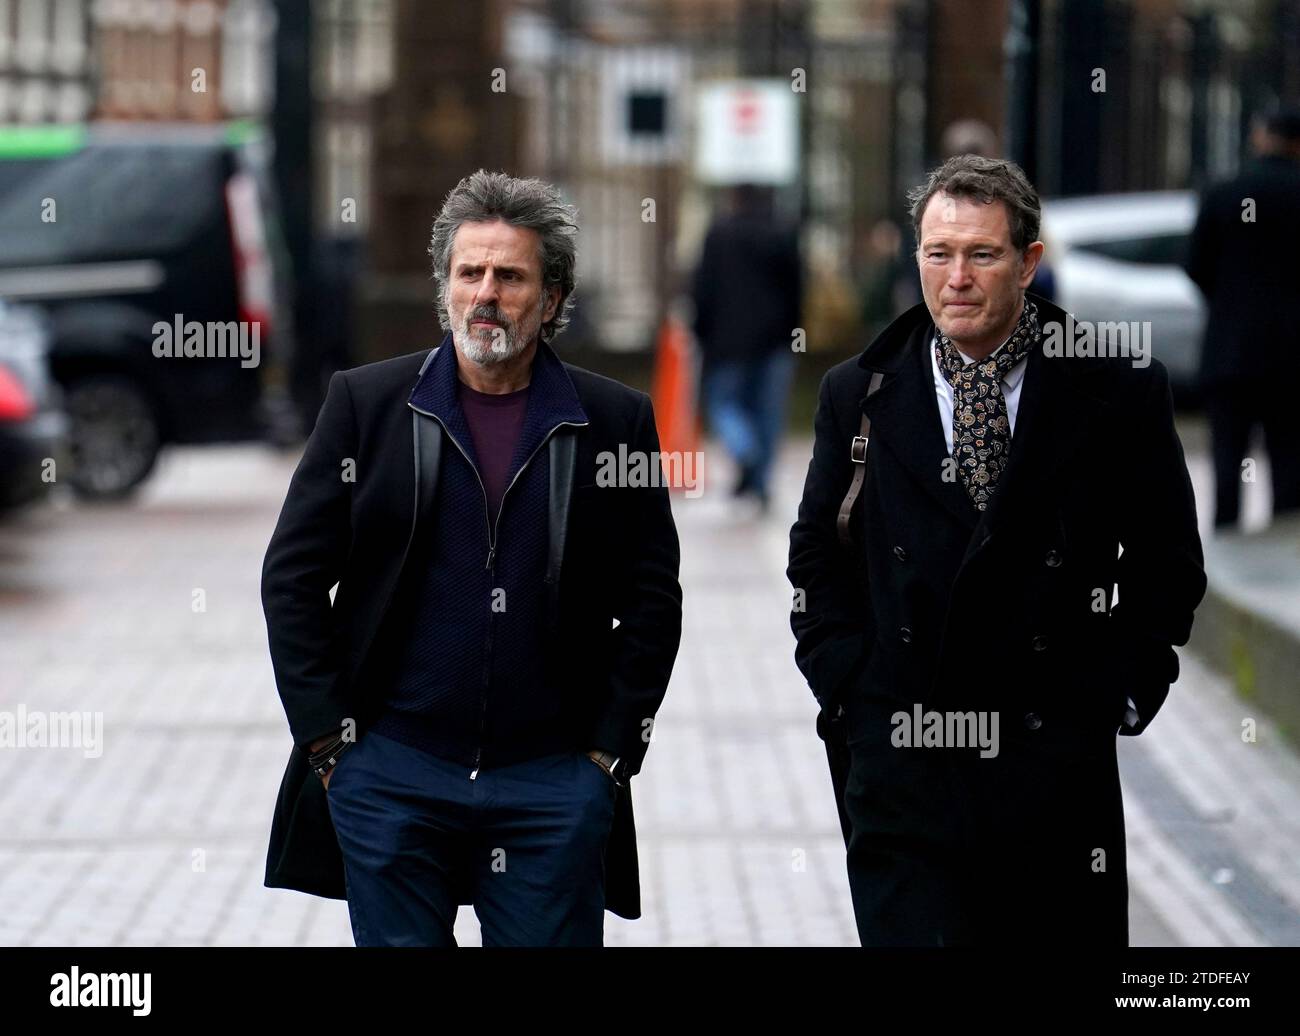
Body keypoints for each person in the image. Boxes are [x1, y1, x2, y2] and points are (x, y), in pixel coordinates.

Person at [787, 154, 1206, 945]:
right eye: (938, 254)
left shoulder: (1113, 385)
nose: (957, 278)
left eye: (982, 254)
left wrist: (1118, 689)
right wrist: (848, 689)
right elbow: (816, 559)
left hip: (1052, 765)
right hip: (904, 762)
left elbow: (1166, 563)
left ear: (1029, 263)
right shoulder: (861, 391)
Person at [261, 170, 683, 946]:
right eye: (470, 273)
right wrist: (329, 746)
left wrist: (606, 758)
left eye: (510, 276)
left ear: (552, 299)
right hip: (392, 774)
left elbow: (654, 601)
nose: (486, 293)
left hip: (550, 783)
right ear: (445, 288)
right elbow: (291, 577)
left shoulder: (615, 422)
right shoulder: (366, 406)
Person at [1186, 103, 1300, 529]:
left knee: (1227, 463)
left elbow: (1195, 266)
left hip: (1231, 352)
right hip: (1292, 356)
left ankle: (1226, 549)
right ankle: (1284, 546)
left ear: (1259, 136)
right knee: (1290, 464)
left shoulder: (1223, 192)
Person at [691, 184, 802, 511]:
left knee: (724, 405)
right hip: (775, 341)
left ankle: (744, 450)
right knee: (768, 413)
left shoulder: (718, 234)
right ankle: (759, 481)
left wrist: (701, 332)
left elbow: (703, 288)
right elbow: (797, 289)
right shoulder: (782, 233)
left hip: (727, 342)